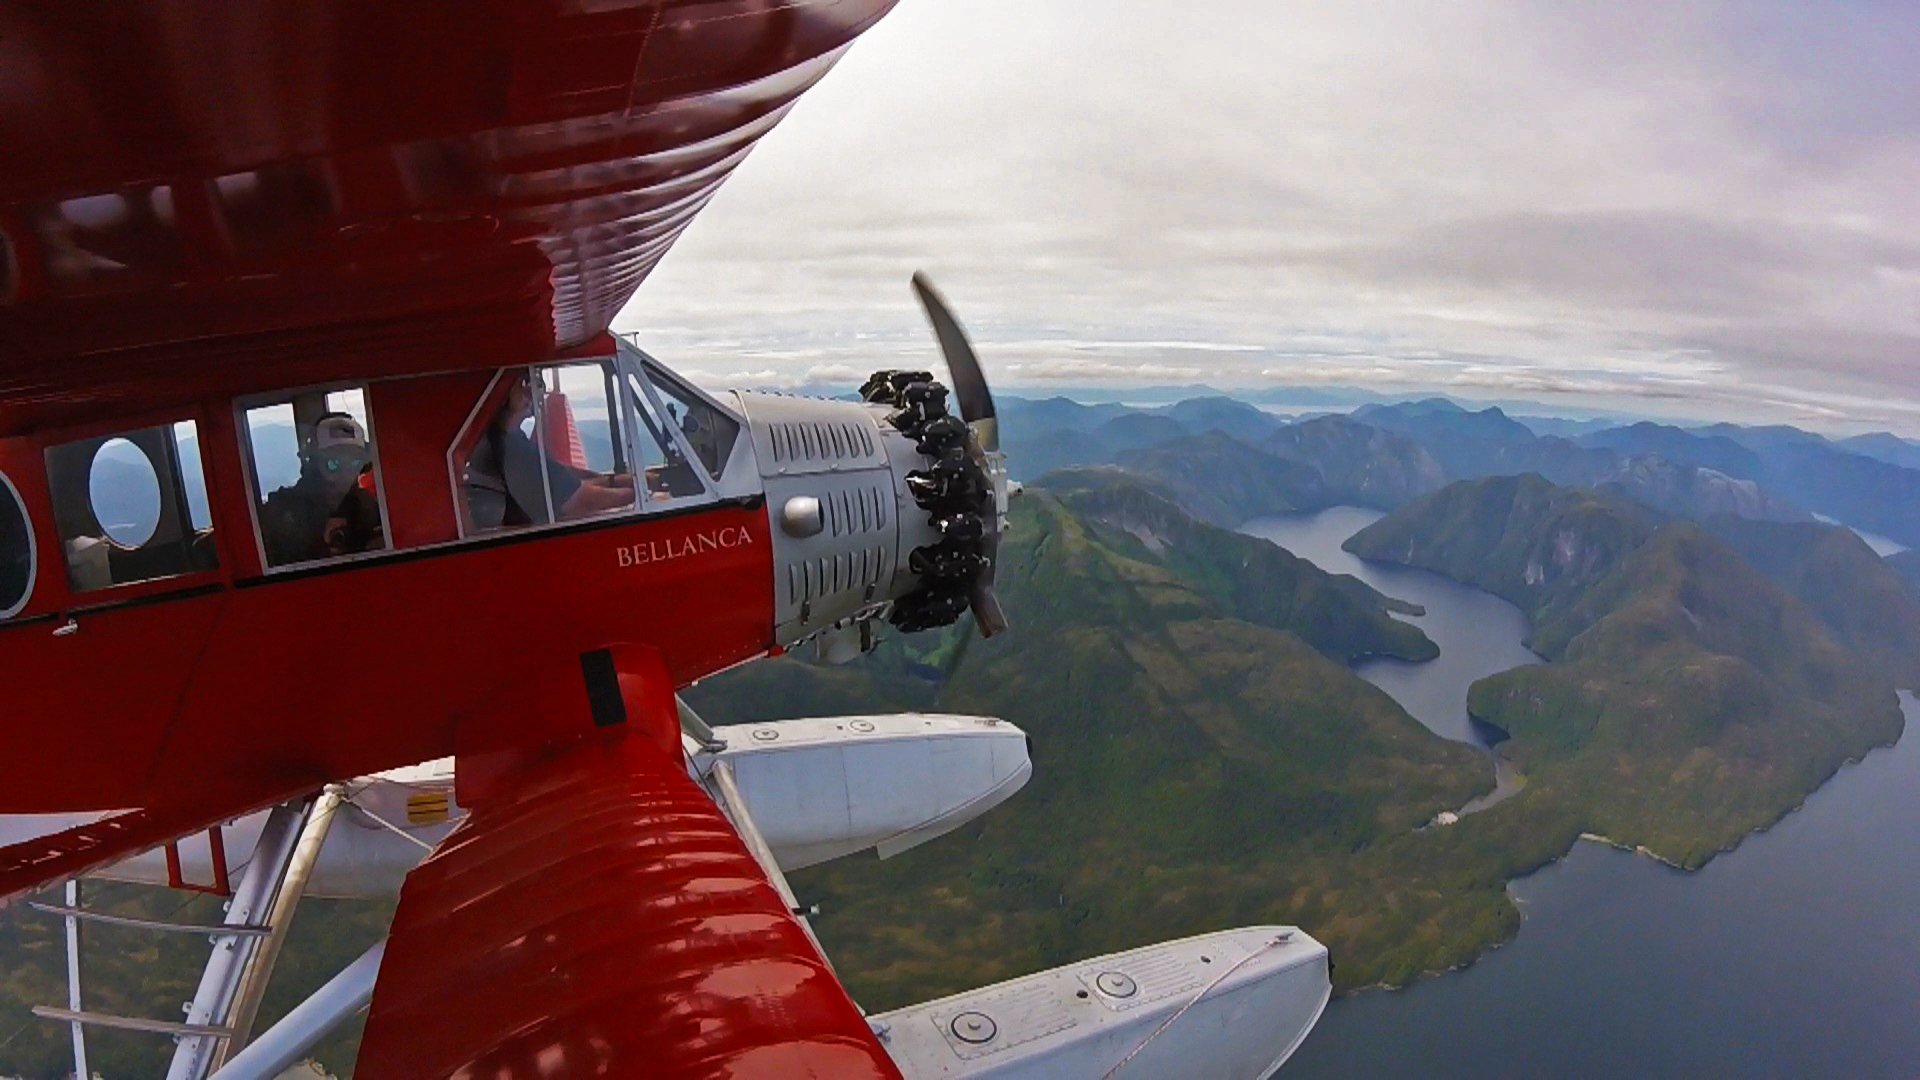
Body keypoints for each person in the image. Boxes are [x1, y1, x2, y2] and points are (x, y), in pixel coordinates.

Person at [464, 370, 635, 531]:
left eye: (533, 381)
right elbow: (580, 500)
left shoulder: (508, 437)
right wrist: (641, 494)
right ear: (502, 391)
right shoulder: (513, 452)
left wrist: (614, 481)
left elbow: (561, 477)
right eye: (523, 381)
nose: (532, 389)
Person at [260, 412, 385, 566]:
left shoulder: (370, 508)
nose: (344, 474)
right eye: (333, 463)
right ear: (313, 464)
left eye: (354, 463)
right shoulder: (282, 510)